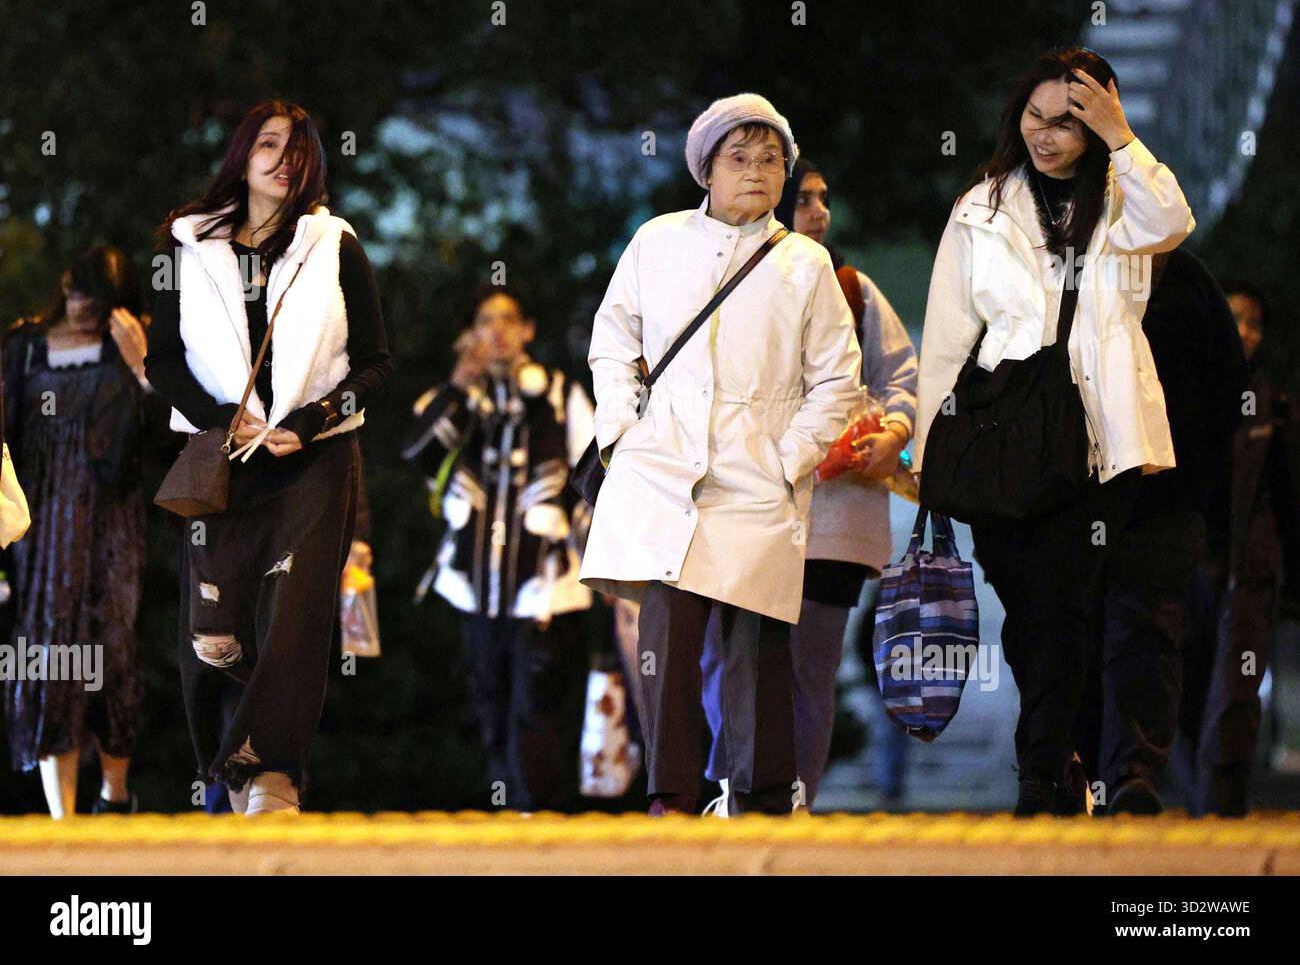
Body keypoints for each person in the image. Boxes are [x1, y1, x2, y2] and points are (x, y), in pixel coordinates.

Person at [914, 47, 1195, 816]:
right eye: (1035, 117)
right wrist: (926, 454)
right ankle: (1063, 755)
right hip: (1004, 434)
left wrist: (1124, 138)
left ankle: (1040, 775)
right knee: (1032, 608)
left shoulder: (1126, 196)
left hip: (1101, 434)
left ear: (1097, 126)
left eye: (1069, 122)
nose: (1046, 135)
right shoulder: (981, 206)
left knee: (1066, 600)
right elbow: (945, 334)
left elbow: (1174, 221)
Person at [580, 93, 862, 816]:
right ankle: (671, 797)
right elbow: (614, 340)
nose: (758, 171)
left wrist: (787, 458)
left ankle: (760, 799)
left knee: (758, 648)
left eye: (772, 159)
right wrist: (620, 431)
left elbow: (838, 377)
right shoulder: (657, 241)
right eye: (739, 157)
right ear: (705, 169)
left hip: (756, 470)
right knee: (667, 644)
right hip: (667, 464)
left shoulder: (805, 262)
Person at [147, 99, 391, 815]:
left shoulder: (334, 242)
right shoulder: (181, 244)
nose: (284, 160)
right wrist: (224, 420)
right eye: (269, 144)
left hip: (313, 460)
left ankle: (273, 776)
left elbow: (376, 365)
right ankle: (228, 771)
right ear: (242, 154)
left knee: (293, 616)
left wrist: (314, 419)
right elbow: (162, 360)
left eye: (299, 148)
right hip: (219, 455)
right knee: (211, 631)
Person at [700, 157, 917, 812]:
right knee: (726, 656)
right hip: (744, 508)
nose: (819, 214)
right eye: (806, 202)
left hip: (835, 515)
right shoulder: (719, 287)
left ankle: (794, 802)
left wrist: (895, 433)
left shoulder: (853, 290)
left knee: (809, 665)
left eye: (822, 200)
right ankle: (735, 787)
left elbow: (900, 377)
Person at [403, 286, 596, 811]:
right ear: (470, 334)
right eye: (486, 320)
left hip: (547, 589)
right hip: (472, 586)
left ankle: (540, 827)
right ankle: (506, 828)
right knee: (489, 709)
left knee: (539, 709)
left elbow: (597, 475)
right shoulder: (452, 397)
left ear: (528, 330)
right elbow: (419, 454)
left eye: (509, 320)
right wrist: (462, 387)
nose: (498, 331)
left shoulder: (560, 394)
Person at [1074, 247, 1246, 814]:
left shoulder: (1184, 275)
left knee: (1145, 628)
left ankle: (1132, 773)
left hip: (1162, 499)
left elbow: (1229, 390)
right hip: (1076, 497)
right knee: (1083, 632)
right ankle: (1086, 768)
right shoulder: (1062, 261)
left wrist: (1200, 486)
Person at [2, 246, 151, 818]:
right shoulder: (24, 347)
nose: (84, 304)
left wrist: (143, 366)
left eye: (98, 294)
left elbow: (166, 439)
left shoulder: (133, 347)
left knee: (113, 652)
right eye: (78, 290)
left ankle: (115, 794)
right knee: (47, 655)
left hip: (112, 524)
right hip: (41, 525)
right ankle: (64, 822)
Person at [1175, 279, 1299, 815]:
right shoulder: (1177, 396)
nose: (1243, 332)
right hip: (1188, 568)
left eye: (1254, 323)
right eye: (1233, 319)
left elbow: (1288, 496)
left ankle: (1219, 804)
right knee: (1181, 688)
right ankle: (1188, 797)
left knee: (1238, 687)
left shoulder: (1273, 404)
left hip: (1249, 572)